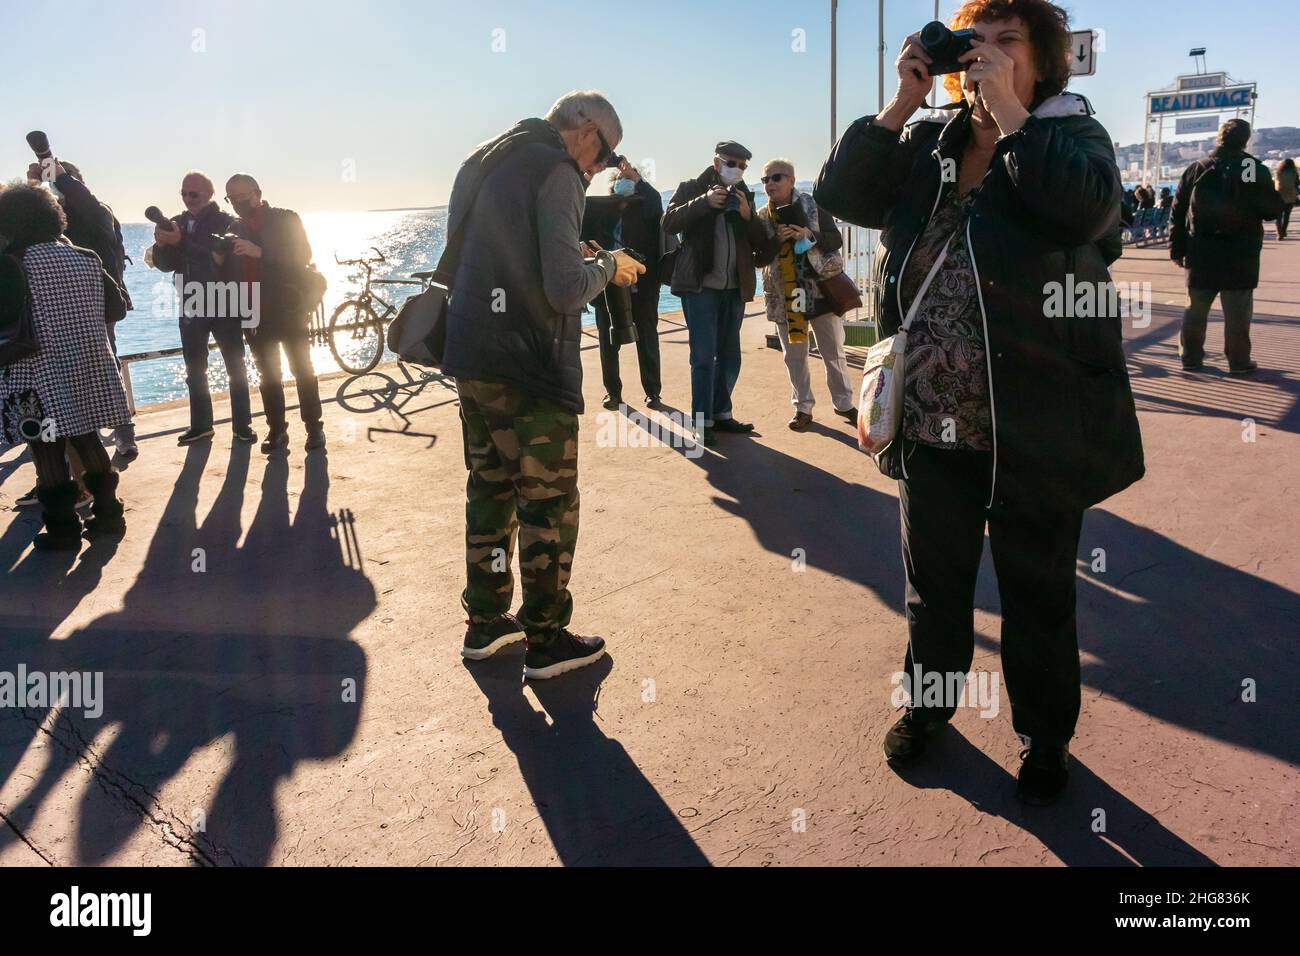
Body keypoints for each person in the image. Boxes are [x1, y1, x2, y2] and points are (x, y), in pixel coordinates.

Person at [815, 0, 1144, 803]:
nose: (985, 57)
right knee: (936, 589)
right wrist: (902, 101)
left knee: (1039, 595)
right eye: (975, 44)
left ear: (1043, 62)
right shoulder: (933, 143)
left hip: (1034, 419)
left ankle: (1044, 738)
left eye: (1007, 43)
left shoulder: (1071, 139)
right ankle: (931, 714)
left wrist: (1009, 115)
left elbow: (1085, 211)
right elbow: (845, 194)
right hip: (931, 418)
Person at [440, 91, 644, 679]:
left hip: (471, 351)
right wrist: (608, 266)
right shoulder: (557, 170)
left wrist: (568, 256)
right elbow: (561, 291)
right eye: (603, 155)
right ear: (584, 132)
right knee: (548, 504)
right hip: (530, 366)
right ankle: (547, 640)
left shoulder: (484, 157)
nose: (599, 168)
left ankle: (484, 623)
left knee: (490, 490)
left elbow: (490, 255)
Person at [0, 183, 129, 550]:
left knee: (46, 446)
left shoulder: (14, 262)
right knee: (86, 436)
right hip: (87, 364)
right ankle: (109, 516)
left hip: (36, 370)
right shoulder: (85, 257)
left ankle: (62, 528)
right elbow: (116, 309)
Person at [663, 141, 776, 446]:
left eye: (742, 166)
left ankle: (721, 414)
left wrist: (746, 215)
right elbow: (668, 222)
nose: (736, 169)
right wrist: (703, 202)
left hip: (734, 288)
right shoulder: (691, 188)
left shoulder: (745, 195)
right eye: (731, 163)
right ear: (716, 162)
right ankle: (701, 421)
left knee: (729, 357)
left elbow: (761, 243)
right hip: (700, 288)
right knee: (703, 356)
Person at [26, 158, 137, 459]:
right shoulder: (49, 220)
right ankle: (74, 437)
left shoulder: (95, 211)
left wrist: (61, 177)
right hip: (55, 305)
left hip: (97, 303)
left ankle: (124, 433)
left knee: (105, 363)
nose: (56, 188)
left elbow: (84, 205)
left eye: (60, 182)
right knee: (56, 371)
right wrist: (33, 188)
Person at [214, 174, 324, 452]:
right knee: (268, 375)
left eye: (241, 197)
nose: (237, 203)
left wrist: (260, 251)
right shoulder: (234, 226)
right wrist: (220, 261)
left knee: (303, 369)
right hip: (253, 311)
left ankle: (314, 428)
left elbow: (303, 256)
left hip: (289, 307)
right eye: (231, 199)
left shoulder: (286, 218)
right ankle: (277, 431)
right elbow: (231, 274)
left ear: (257, 193)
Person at [149, 171, 257, 445]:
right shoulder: (177, 222)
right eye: (183, 193)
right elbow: (166, 264)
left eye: (193, 194)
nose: (187, 199)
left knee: (236, 366)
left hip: (224, 301)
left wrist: (180, 242)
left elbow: (216, 259)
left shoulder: (227, 222)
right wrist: (162, 246)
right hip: (191, 303)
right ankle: (201, 425)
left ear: (208, 194)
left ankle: (242, 426)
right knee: (194, 369)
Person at [1170, 119, 1283, 374]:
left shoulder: (1198, 168)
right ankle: (1239, 361)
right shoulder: (1249, 168)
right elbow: (1267, 210)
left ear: (1218, 139)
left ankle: (1190, 357)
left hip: (1201, 252)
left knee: (1195, 309)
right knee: (1237, 313)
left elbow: (1177, 213)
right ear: (1245, 140)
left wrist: (1176, 249)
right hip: (1239, 253)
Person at [756, 158, 856, 431]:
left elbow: (835, 240)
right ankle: (802, 407)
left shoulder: (813, 205)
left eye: (775, 178)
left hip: (819, 292)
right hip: (784, 297)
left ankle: (844, 403)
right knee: (794, 357)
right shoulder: (762, 217)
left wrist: (809, 235)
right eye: (765, 180)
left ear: (790, 179)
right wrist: (775, 241)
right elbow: (757, 258)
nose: (769, 184)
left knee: (832, 352)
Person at [588, 159, 664, 410]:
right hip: (607, 284)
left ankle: (653, 392)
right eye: (620, 180)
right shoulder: (600, 212)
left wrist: (637, 178)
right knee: (608, 340)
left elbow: (655, 202)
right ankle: (613, 392)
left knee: (647, 336)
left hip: (642, 283)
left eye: (629, 180)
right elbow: (580, 229)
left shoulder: (646, 208)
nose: (624, 183)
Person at [1274, 158, 1297, 240]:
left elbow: (1274, 183)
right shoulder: (1294, 172)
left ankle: (1279, 233)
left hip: (1279, 196)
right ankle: (1283, 231)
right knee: (1286, 216)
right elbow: (1296, 183)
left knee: (1278, 216)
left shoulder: (1278, 172)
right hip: (1290, 196)